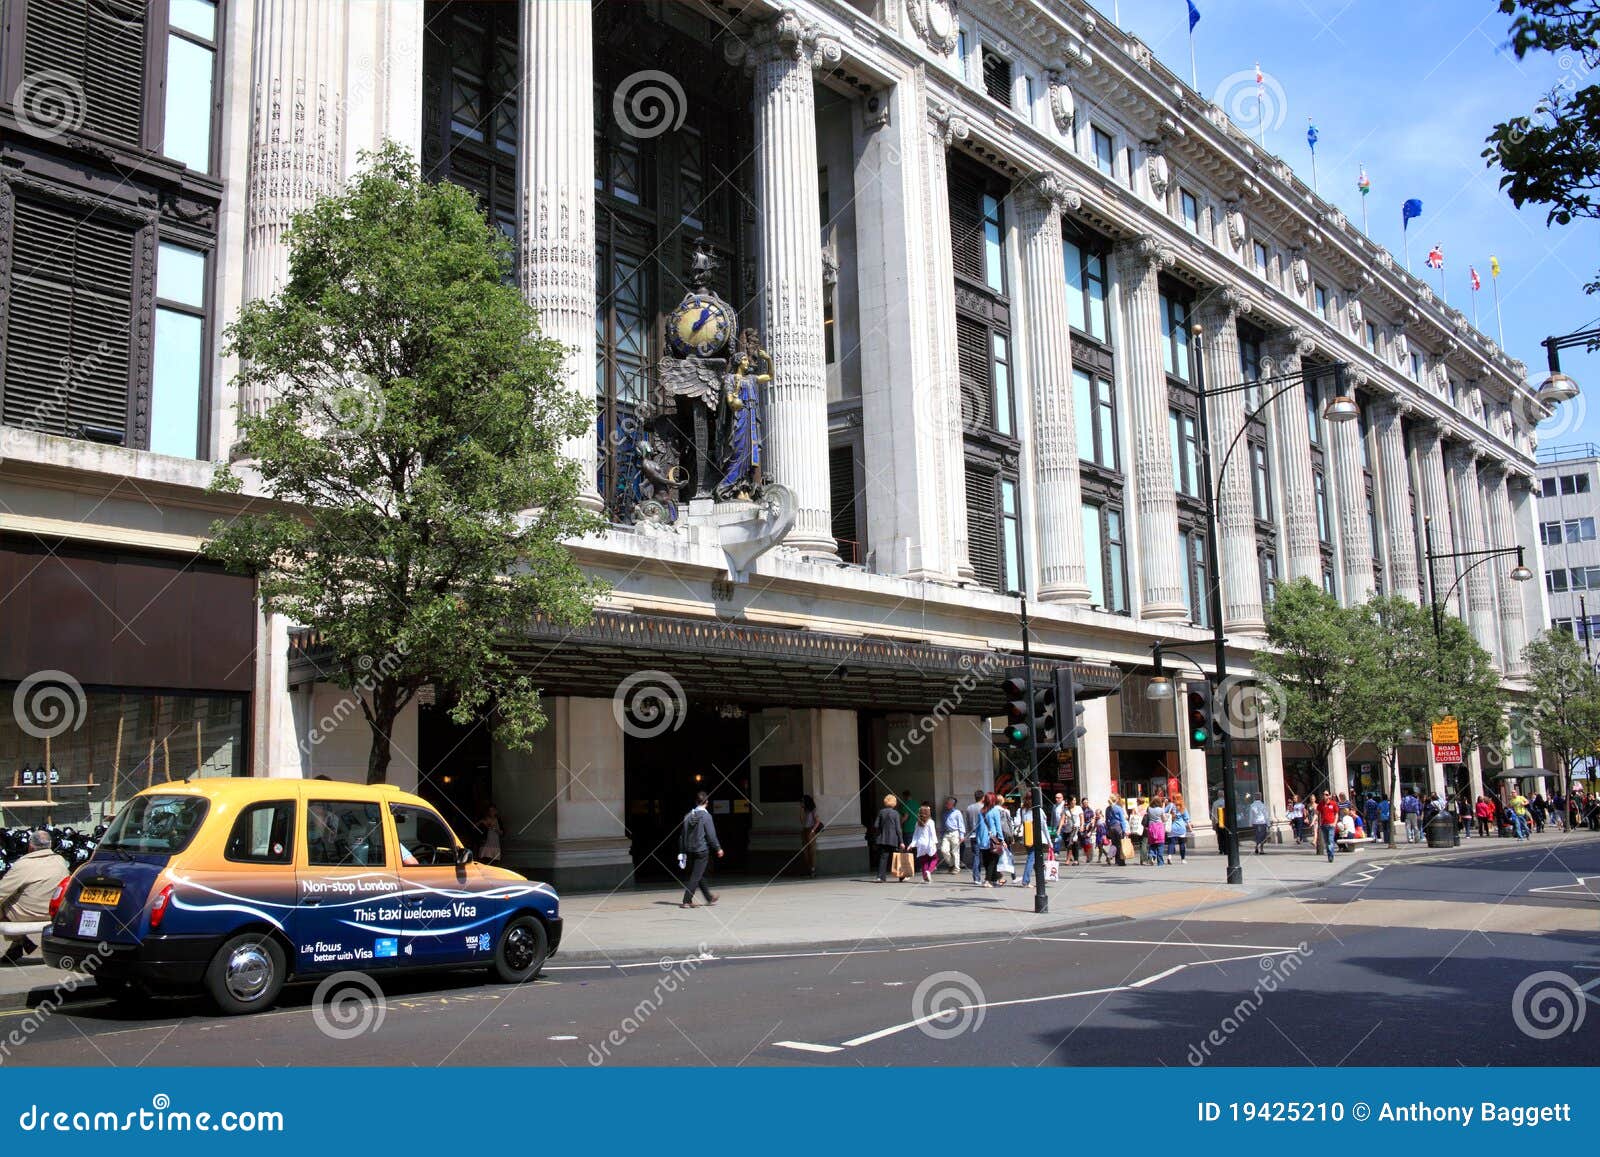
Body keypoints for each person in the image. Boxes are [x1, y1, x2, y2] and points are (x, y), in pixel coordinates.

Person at [0, 831, 69, 963]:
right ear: (50, 845)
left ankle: (19, 941)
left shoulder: (23, 864)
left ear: (31, 846)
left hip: (28, 914)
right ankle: (18, 944)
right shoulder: (60, 861)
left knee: (4, 902)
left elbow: (2, 891)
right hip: (54, 912)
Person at [679, 792, 723, 909]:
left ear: (696, 802)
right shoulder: (706, 816)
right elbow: (711, 835)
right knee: (696, 876)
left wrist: (682, 851)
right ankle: (686, 900)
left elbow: (683, 835)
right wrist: (718, 848)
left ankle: (709, 897)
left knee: (698, 874)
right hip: (701, 850)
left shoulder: (688, 816)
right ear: (707, 802)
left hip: (689, 849)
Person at [874, 793, 908, 882]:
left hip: (882, 839)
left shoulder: (881, 812)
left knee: (883, 857)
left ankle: (880, 877)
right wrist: (901, 841)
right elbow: (898, 828)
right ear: (894, 803)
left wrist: (881, 831)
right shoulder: (895, 813)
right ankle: (901, 876)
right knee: (897, 857)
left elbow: (876, 825)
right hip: (893, 840)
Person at [974, 793, 1005, 887]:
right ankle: (988, 881)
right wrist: (1002, 839)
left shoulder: (981, 811)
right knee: (993, 860)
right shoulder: (995, 811)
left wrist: (978, 839)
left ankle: (996, 878)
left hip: (982, 839)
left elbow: (978, 827)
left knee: (987, 860)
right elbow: (998, 826)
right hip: (992, 839)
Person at [911, 805, 940, 882]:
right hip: (929, 843)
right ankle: (929, 871)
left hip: (920, 844)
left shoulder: (917, 823)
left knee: (924, 861)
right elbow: (933, 833)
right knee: (935, 858)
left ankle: (925, 877)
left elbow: (915, 835)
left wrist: (912, 844)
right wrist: (935, 842)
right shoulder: (931, 822)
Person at [963, 790, 986, 885]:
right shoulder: (984, 807)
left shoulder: (969, 808)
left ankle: (976, 877)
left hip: (973, 835)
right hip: (983, 835)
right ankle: (981, 877)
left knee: (976, 856)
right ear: (983, 797)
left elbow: (967, 822)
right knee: (983, 856)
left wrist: (968, 833)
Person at [939, 796, 966, 874]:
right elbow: (943, 824)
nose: (946, 804)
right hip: (946, 833)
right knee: (944, 850)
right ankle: (951, 864)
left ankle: (956, 868)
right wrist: (941, 834)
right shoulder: (944, 813)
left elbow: (961, 824)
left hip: (955, 833)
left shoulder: (957, 812)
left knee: (955, 852)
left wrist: (961, 835)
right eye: (946, 803)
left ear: (952, 804)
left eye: (947, 803)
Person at [800, 794, 822, 877]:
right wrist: (801, 810)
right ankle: (809, 869)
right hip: (805, 830)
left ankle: (813, 869)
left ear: (806, 802)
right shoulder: (805, 811)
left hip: (810, 830)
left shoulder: (813, 810)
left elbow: (818, 821)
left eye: (802, 801)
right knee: (805, 851)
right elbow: (802, 821)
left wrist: (812, 831)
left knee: (811, 850)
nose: (801, 803)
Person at [1317, 790, 1339, 863]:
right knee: (1327, 842)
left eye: (1326, 794)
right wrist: (1317, 821)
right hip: (1323, 825)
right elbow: (1318, 813)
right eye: (1323, 794)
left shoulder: (1333, 803)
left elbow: (1336, 814)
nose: (1324, 796)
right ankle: (1329, 854)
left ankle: (1331, 855)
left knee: (1330, 841)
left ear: (1329, 795)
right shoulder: (1321, 804)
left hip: (1331, 825)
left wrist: (1334, 823)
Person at [1106, 795, 1128, 867]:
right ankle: (1121, 861)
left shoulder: (1107, 809)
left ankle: (1109, 855)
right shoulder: (1118, 808)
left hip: (1111, 827)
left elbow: (1107, 820)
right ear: (1116, 800)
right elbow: (1122, 820)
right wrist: (1124, 829)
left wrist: (1108, 829)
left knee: (1114, 843)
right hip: (1118, 827)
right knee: (1120, 844)